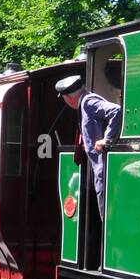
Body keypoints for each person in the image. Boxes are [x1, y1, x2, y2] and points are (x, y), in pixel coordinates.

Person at [55, 75, 121, 219]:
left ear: (68, 97)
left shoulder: (88, 102)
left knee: (106, 213)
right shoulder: (85, 102)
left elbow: (116, 111)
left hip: (102, 166)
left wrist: (107, 139)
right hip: (97, 167)